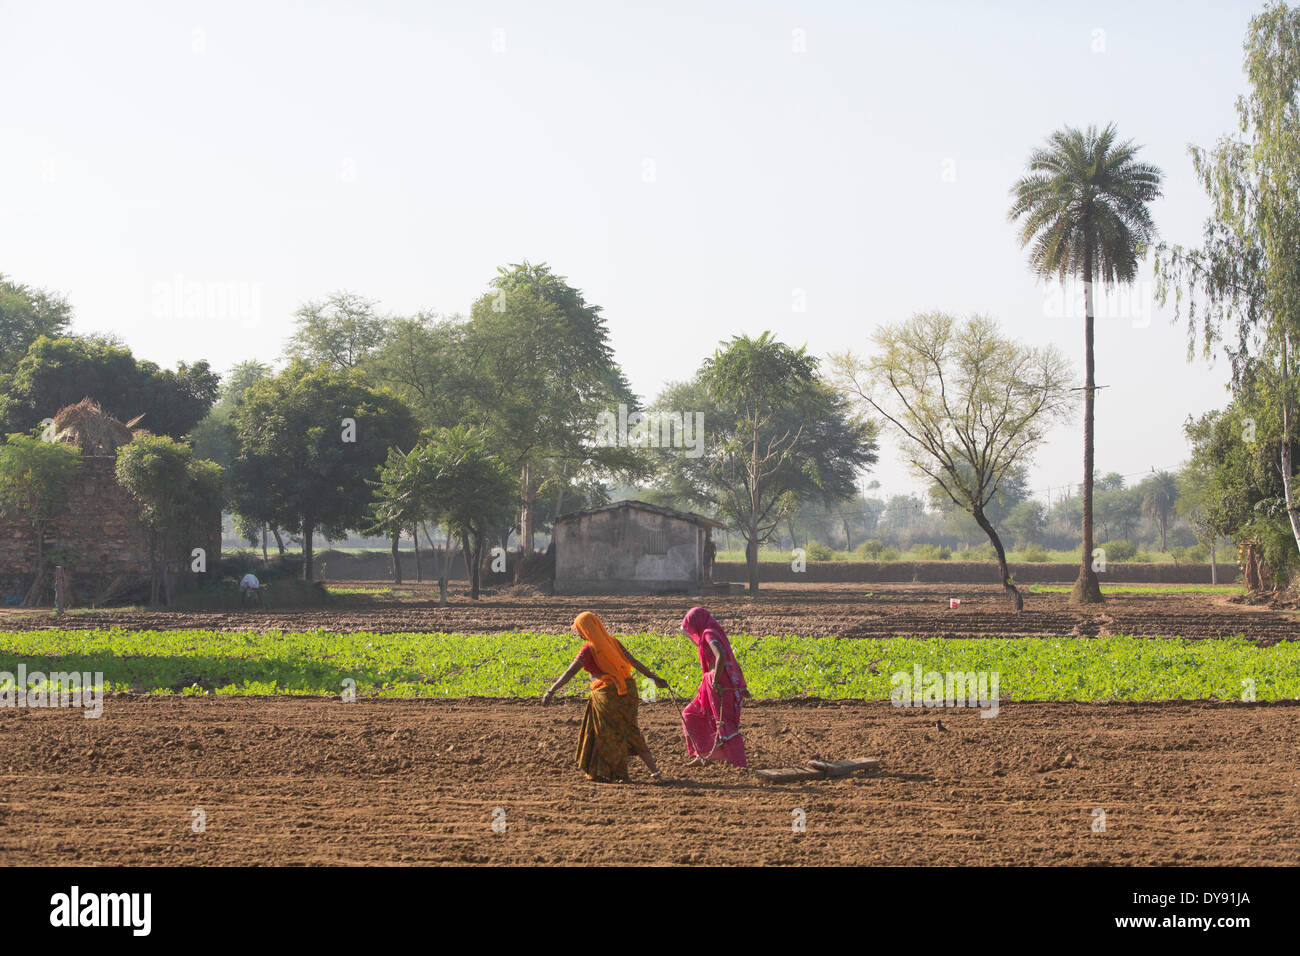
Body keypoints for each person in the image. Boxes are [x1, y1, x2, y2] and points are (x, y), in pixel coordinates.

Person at [542, 611, 669, 783]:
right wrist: (655, 678)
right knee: (630, 730)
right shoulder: (613, 642)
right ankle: (655, 771)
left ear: (585, 629)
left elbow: (570, 672)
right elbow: (635, 662)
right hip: (628, 692)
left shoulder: (589, 649)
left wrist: (551, 690)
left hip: (608, 696)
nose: (578, 633)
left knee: (608, 735)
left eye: (579, 629)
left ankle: (620, 774)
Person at [679, 606, 749, 767]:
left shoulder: (709, 633)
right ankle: (703, 754)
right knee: (691, 714)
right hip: (711, 682)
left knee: (724, 722)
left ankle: (738, 763)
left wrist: (716, 681)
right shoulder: (710, 632)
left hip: (718, 684)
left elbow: (721, 656)